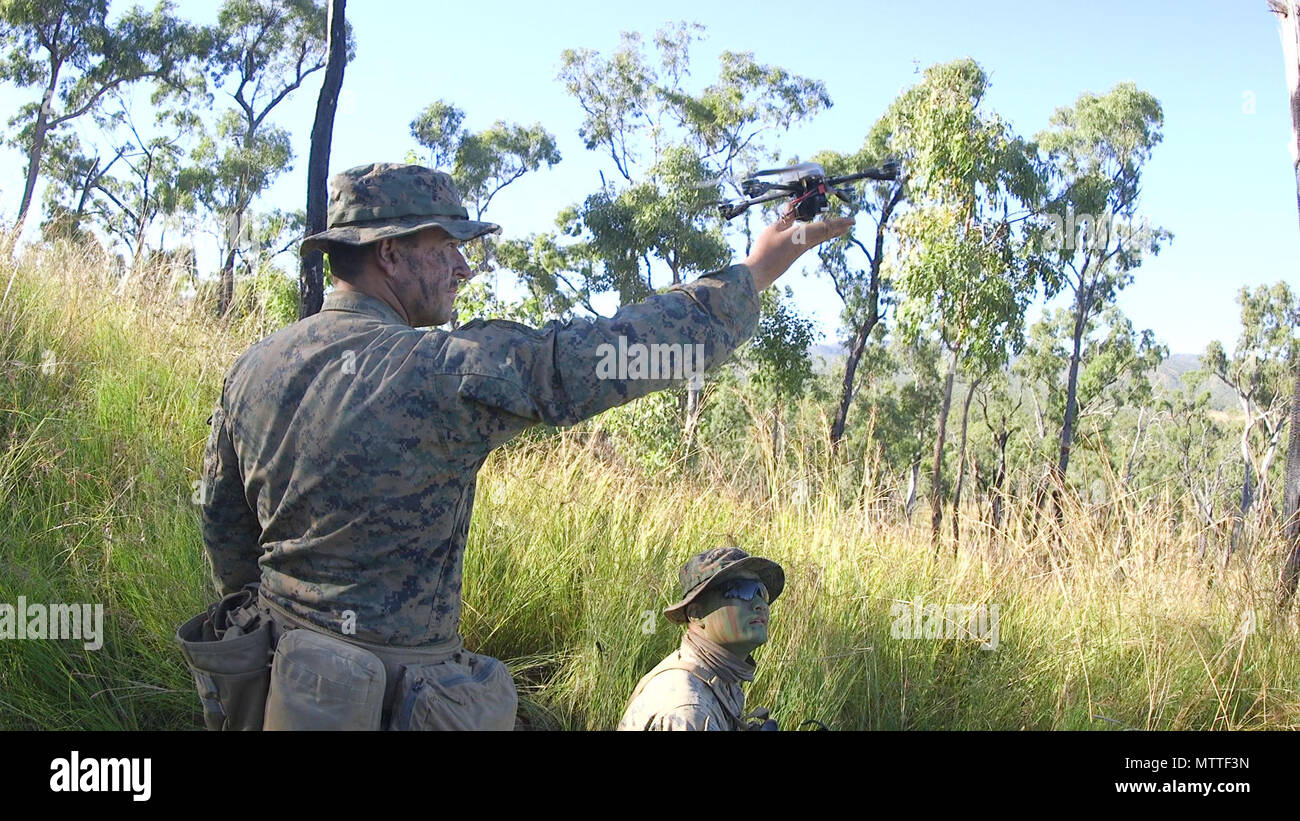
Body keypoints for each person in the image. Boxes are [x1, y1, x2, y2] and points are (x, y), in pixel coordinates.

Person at [196, 161, 850, 730]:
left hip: (281, 692)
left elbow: (226, 541)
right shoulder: (435, 371)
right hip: (393, 703)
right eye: (446, 245)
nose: (463, 264)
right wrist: (757, 269)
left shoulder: (253, 364)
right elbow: (604, 355)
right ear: (388, 254)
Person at [618, 546, 784, 731]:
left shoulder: (717, 679)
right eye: (741, 590)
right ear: (697, 614)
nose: (760, 604)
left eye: (761, 592)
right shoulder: (688, 709)